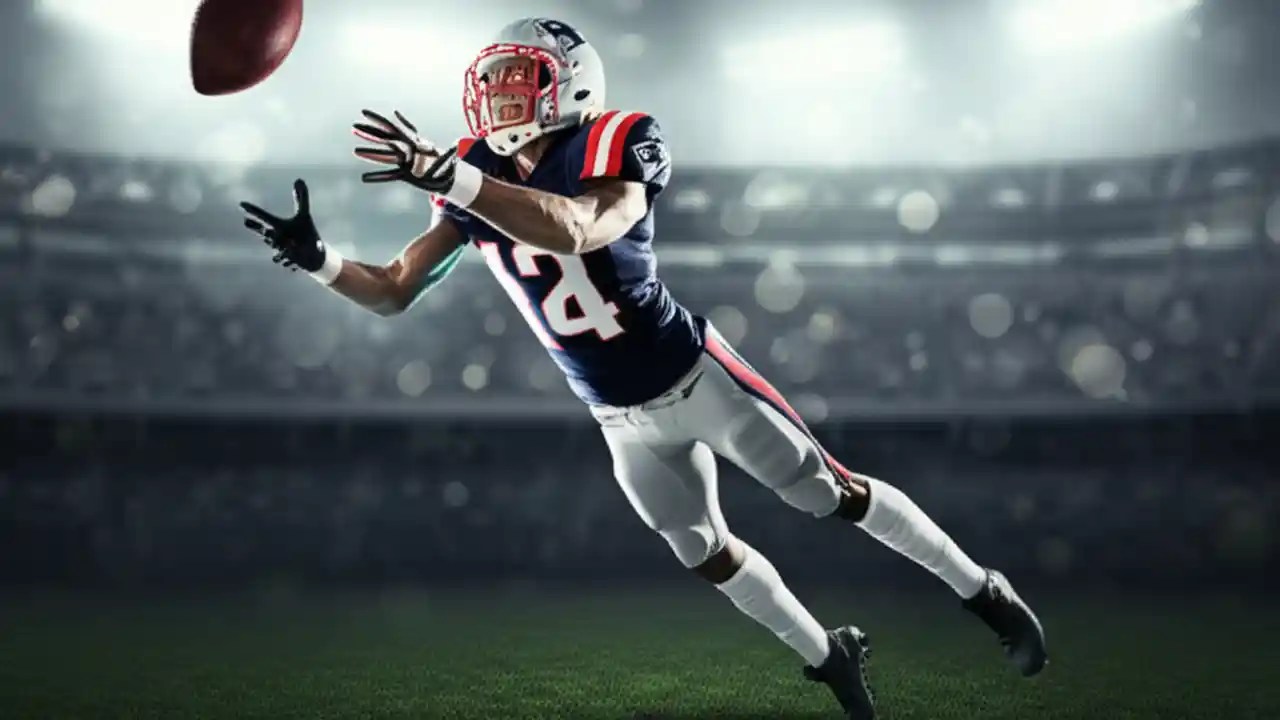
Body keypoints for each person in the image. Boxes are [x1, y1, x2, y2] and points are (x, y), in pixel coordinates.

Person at [239, 17, 1047, 719]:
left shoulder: (617, 137)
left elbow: (578, 229)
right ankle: (828, 654)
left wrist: (456, 177)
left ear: (571, 85)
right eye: (492, 83)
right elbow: (390, 292)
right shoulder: (466, 176)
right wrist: (320, 260)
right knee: (702, 548)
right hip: (616, 417)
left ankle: (984, 590)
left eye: (520, 81)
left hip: (698, 380)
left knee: (824, 494)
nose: (501, 100)